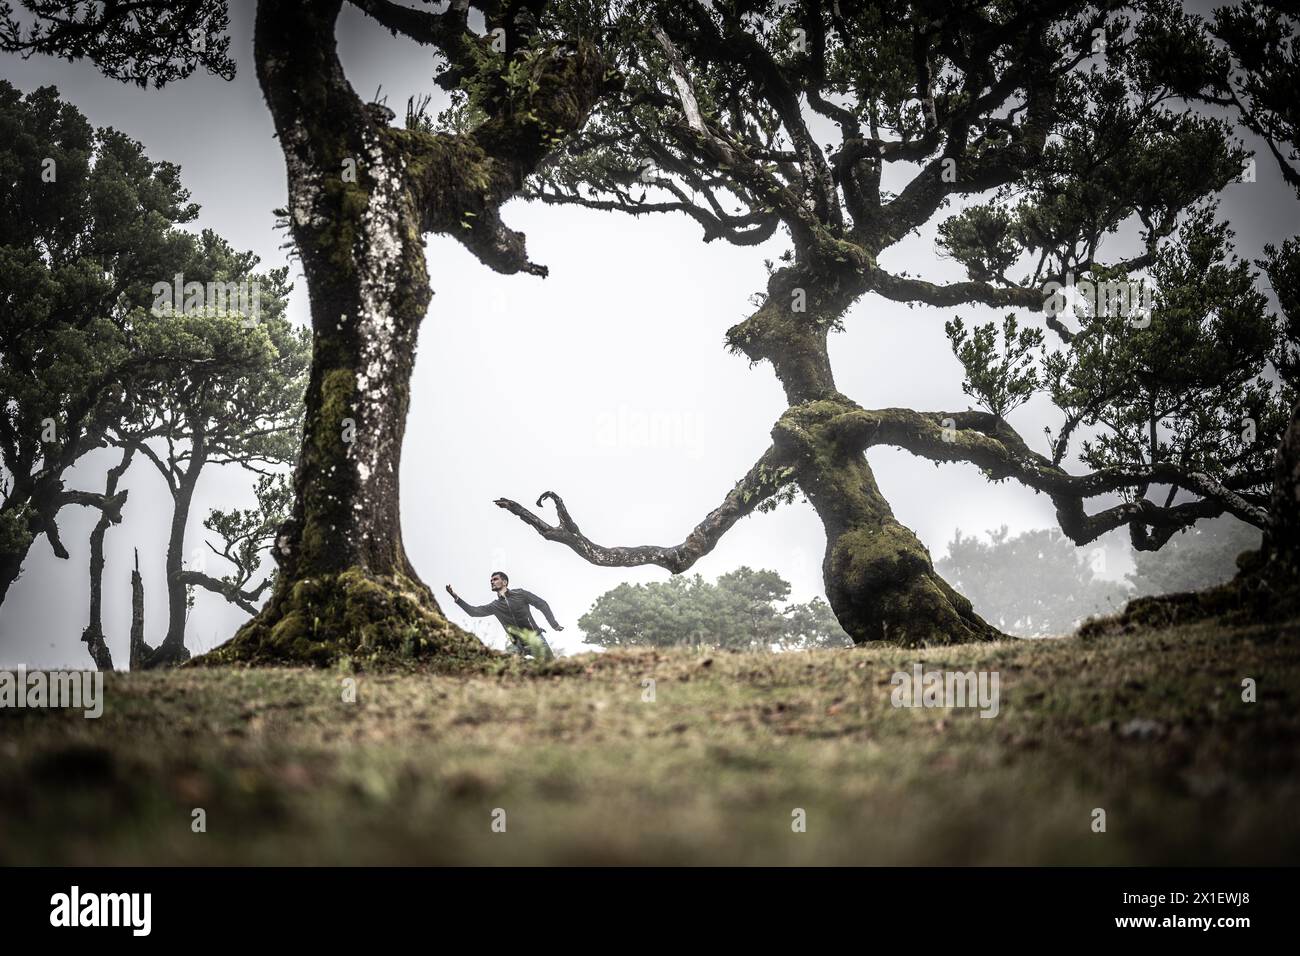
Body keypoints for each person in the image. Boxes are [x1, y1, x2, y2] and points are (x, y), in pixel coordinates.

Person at [445, 571, 562, 661]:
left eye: (495, 579)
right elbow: (473, 612)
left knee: (554, 670)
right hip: (518, 646)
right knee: (508, 672)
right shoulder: (495, 606)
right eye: (491, 580)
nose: (492, 581)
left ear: (504, 582)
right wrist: (457, 598)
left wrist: (554, 624)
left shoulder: (520, 594)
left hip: (536, 639)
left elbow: (542, 604)